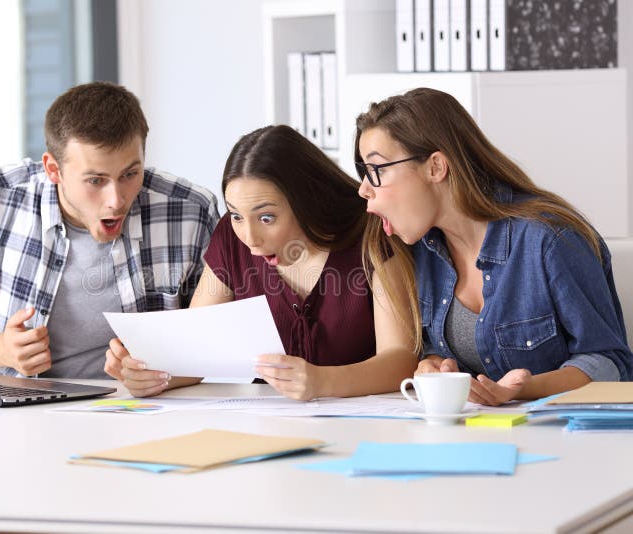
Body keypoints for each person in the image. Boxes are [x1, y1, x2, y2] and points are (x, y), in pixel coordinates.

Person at [0, 82, 219, 379]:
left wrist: (162, 375)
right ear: (53, 169)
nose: (116, 199)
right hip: (18, 410)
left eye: (130, 174)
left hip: (146, 411)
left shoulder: (191, 211)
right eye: (95, 180)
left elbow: (217, 340)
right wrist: (0, 349)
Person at [355, 87, 633, 406]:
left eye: (377, 170)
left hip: (561, 437)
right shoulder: (425, 253)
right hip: (475, 437)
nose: (364, 189)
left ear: (435, 167)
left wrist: (523, 389)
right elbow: (440, 351)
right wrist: (433, 364)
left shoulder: (550, 240)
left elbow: (611, 363)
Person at [105, 124, 418, 400]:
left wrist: (323, 381)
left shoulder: (371, 233)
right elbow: (195, 353)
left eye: (266, 217)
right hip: (266, 430)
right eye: (237, 215)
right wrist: (151, 375)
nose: (250, 237)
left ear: (307, 201)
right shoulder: (230, 236)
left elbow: (400, 359)